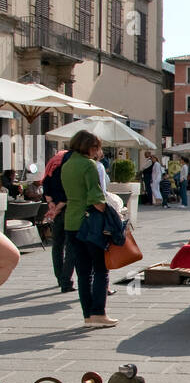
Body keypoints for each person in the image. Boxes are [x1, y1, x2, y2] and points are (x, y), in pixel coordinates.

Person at [60, 130, 117, 328]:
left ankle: (87, 316)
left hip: (71, 221)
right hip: (89, 223)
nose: (98, 152)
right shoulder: (89, 165)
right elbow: (96, 199)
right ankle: (98, 313)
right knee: (101, 268)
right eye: (97, 148)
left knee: (83, 272)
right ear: (90, 147)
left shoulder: (67, 165)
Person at [41, 147, 75, 292]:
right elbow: (68, 193)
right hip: (67, 209)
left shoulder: (51, 167)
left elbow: (45, 187)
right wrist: (58, 207)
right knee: (71, 246)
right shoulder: (67, 168)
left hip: (55, 210)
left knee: (57, 245)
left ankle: (59, 277)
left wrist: (52, 206)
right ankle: (66, 280)